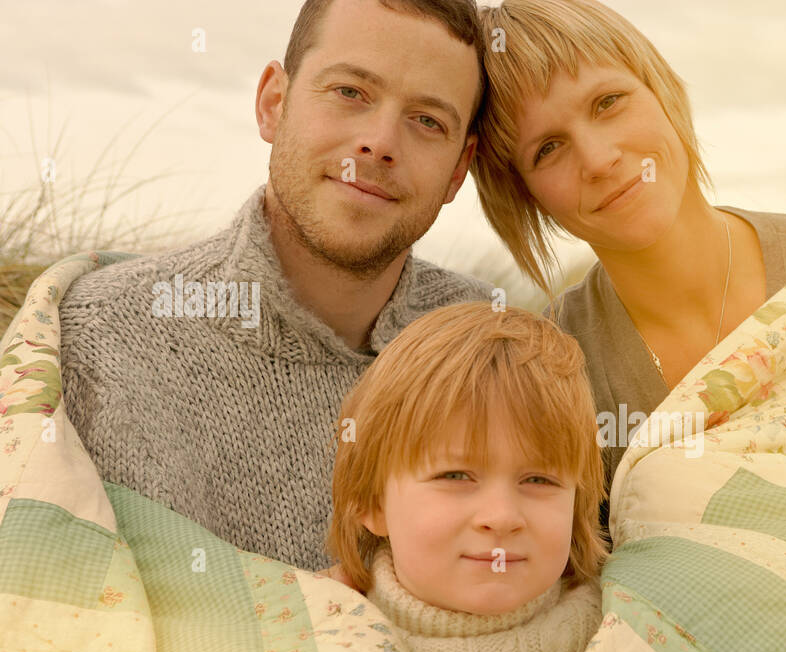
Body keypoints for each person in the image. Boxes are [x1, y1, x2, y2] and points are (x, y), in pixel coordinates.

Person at [56, 0, 492, 571]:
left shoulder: (494, 344)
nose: (381, 142)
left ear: (458, 171)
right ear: (273, 103)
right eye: (350, 92)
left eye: (427, 121)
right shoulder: (102, 339)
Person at [470, 0, 786, 538]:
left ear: (660, 88)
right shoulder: (552, 372)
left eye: (608, 103)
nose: (600, 159)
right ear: (525, 196)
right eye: (548, 148)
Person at [324, 302, 606, 652]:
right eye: (455, 476)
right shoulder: (325, 635)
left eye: (539, 479)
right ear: (371, 502)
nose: (501, 518)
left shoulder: (619, 632)